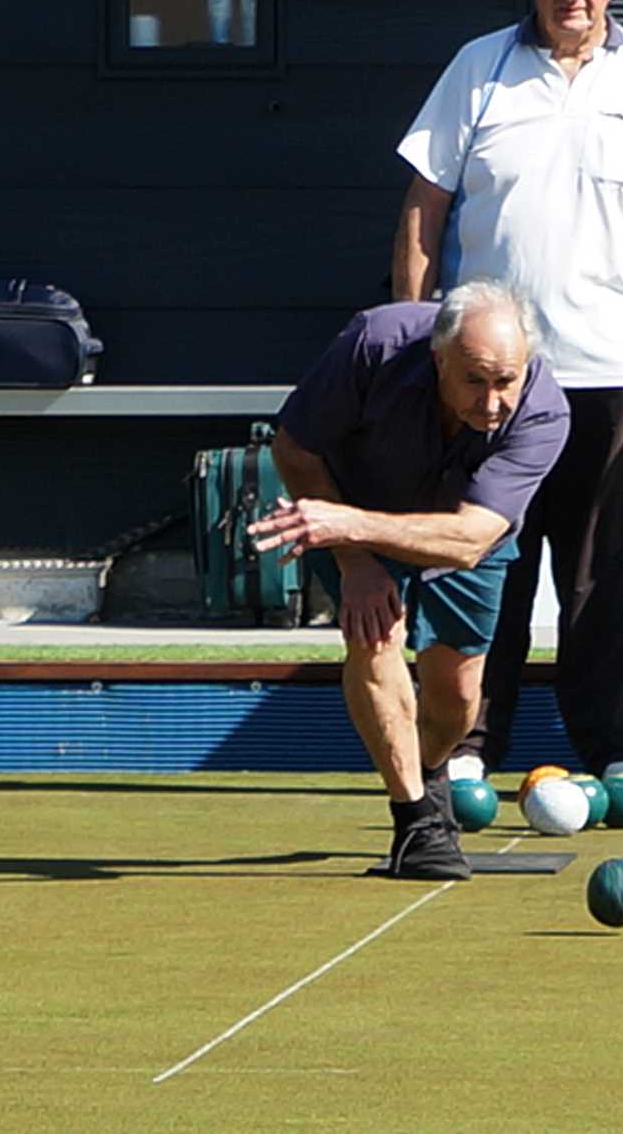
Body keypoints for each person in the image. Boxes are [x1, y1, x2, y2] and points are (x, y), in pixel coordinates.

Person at [389, 0, 623, 789]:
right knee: (488, 557)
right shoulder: (478, 68)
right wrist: (414, 340)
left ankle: (611, 743)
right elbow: (422, 212)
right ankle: (470, 739)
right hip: (491, 377)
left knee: (604, 573)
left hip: (616, 368)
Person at [249, 283, 570, 877]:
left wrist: (350, 525)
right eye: (475, 381)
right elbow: (293, 448)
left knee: (459, 697)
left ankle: (427, 771)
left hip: (453, 534)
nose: (493, 402)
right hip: (352, 506)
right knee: (375, 636)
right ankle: (416, 821)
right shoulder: (375, 343)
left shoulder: (545, 413)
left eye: (506, 381)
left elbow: (469, 539)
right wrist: (355, 561)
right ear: (439, 359)